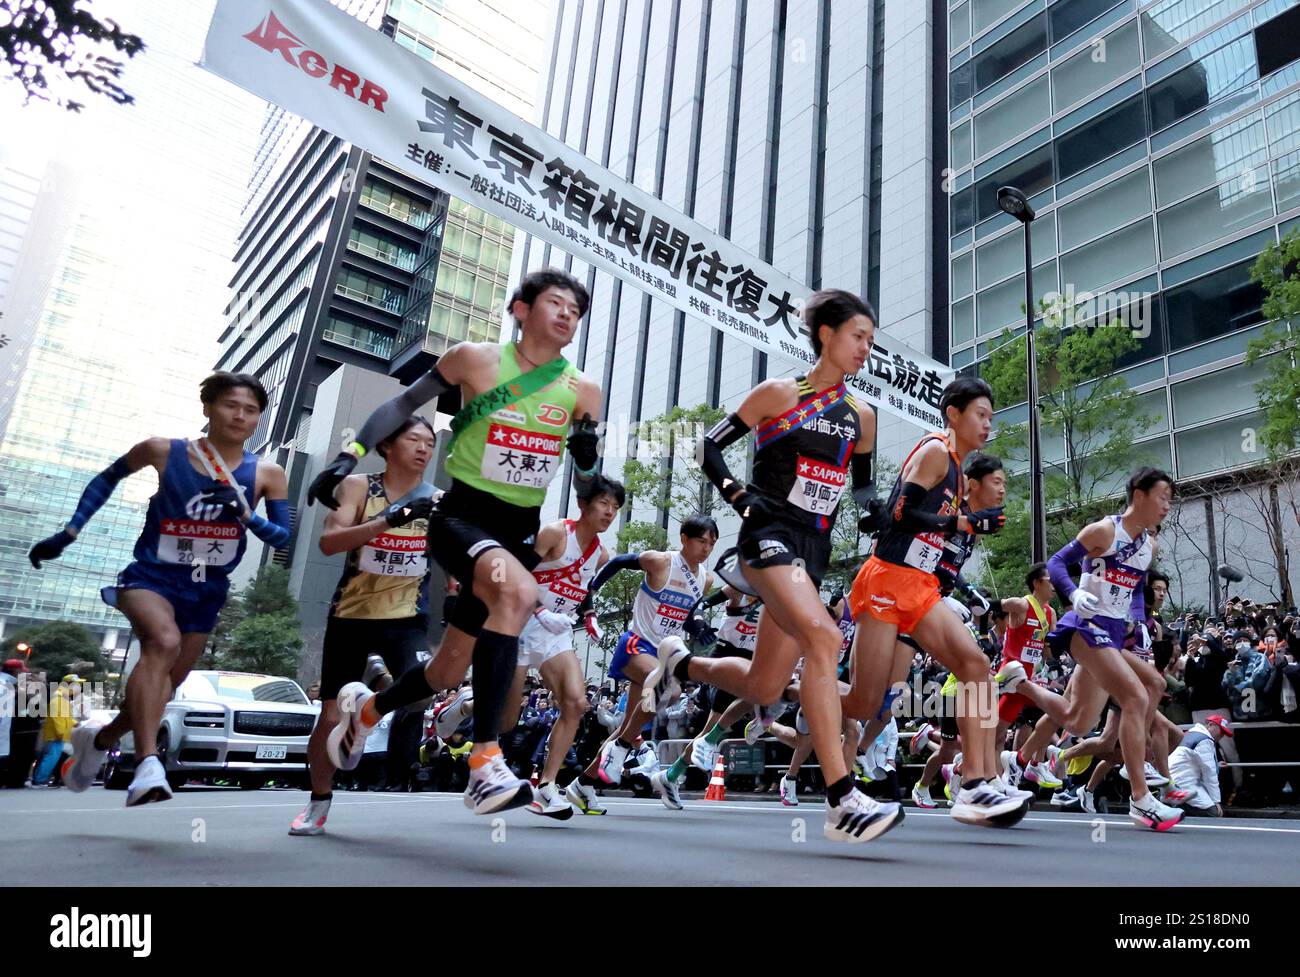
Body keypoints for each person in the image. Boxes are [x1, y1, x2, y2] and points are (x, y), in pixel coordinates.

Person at [312, 268, 603, 816]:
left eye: (576, 311)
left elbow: (586, 480)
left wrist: (585, 457)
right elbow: (402, 406)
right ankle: (484, 762)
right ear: (522, 309)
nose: (567, 315)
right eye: (557, 303)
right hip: (462, 517)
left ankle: (370, 709)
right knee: (517, 595)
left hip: (517, 529)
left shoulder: (583, 389)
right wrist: (347, 457)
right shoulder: (476, 359)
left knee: (448, 669)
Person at [651, 288, 907, 844]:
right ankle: (841, 799)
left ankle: (680, 665)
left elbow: (861, 491)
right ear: (827, 335)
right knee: (824, 639)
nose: (866, 348)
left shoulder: (862, 417)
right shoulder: (780, 393)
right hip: (767, 537)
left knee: (765, 682)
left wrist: (878, 517)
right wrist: (739, 499)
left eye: (870, 339)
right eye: (858, 336)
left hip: (812, 553)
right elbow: (708, 448)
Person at [35, 371, 291, 806]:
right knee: (163, 643)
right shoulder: (163, 451)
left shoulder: (267, 472)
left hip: (206, 586)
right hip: (150, 577)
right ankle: (148, 765)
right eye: (231, 405)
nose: (240, 416)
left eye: (251, 410)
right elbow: (107, 477)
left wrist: (246, 516)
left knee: (165, 686)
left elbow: (284, 538)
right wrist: (71, 531)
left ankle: (99, 741)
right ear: (208, 407)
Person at [840, 377, 1024, 827]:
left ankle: (977, 782)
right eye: (980, 414)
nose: (987, 424)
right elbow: (901, 514)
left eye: (990, 417)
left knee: (977, 665)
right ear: (953, 414)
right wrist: (963, 523)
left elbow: (933, 533)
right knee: (866, 703)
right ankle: (792, 692)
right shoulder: (936, 451)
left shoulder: (959, 469)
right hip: (887, 579)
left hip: (920, 587)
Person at [289, 416, 439, 836]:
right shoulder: (358, 486)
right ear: (387, 446)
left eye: (429, 442)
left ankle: (371, 705)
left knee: (421, 693)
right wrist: (390, 519)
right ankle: (318, 804)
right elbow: (329, 541)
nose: (424, 448)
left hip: (408, 615)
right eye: (413, 439)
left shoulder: (439, 498)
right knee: (330, 713)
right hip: (352, 614)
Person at [1043, 467, 1185, 831]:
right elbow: (1057, 563)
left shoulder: (1148, 546)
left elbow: (1136, 590)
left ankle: (1020, 685)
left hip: (1114, 633)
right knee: (1138, 696)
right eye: (1162, 497)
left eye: (1170, 498)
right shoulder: (1103, 531)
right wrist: (1073, 593)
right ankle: (1140, 796)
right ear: (1139, 495)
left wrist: (1137, 621)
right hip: (1086, 627)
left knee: (1079, 720)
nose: (1168, 506)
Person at [566, 515, 717, 814]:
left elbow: (685, 613)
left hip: (664, 654)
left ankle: (583, 782)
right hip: (638, 645)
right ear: (684, 538)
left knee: (629, 724)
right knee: (671, 690)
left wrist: (697, 626)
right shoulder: (660, 561)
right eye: (701, 541)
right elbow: (619, 561)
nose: (707, 548)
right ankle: (623, 748)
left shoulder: (705, 579)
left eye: (711, 543)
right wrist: (590, 595)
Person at [497, 475, 620, 818]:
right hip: (521, 624)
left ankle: (547, 786)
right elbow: (516, 572)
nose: (610, 513)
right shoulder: (554, 533)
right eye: (603, 504)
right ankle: (463, 708)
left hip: (557, 632)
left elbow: (585, 586)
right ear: (583, 505)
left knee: (576, 703)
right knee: (506, 720)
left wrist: (591, 613)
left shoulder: (601, 553)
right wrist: (539, 609)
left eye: (615, 507)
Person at [1167, 714, 1232, 816]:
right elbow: (1210, 774)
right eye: (1221, 731)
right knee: (1213, 813)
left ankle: (1174, 804)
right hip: (1184, 782)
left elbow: (1191, 760)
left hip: (1175, 779)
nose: (1222, 736)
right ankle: (1177, 806)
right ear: (1210, 725)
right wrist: (1216, 801)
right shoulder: (1205, 740)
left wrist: (1216, 765)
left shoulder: (1192, 733)